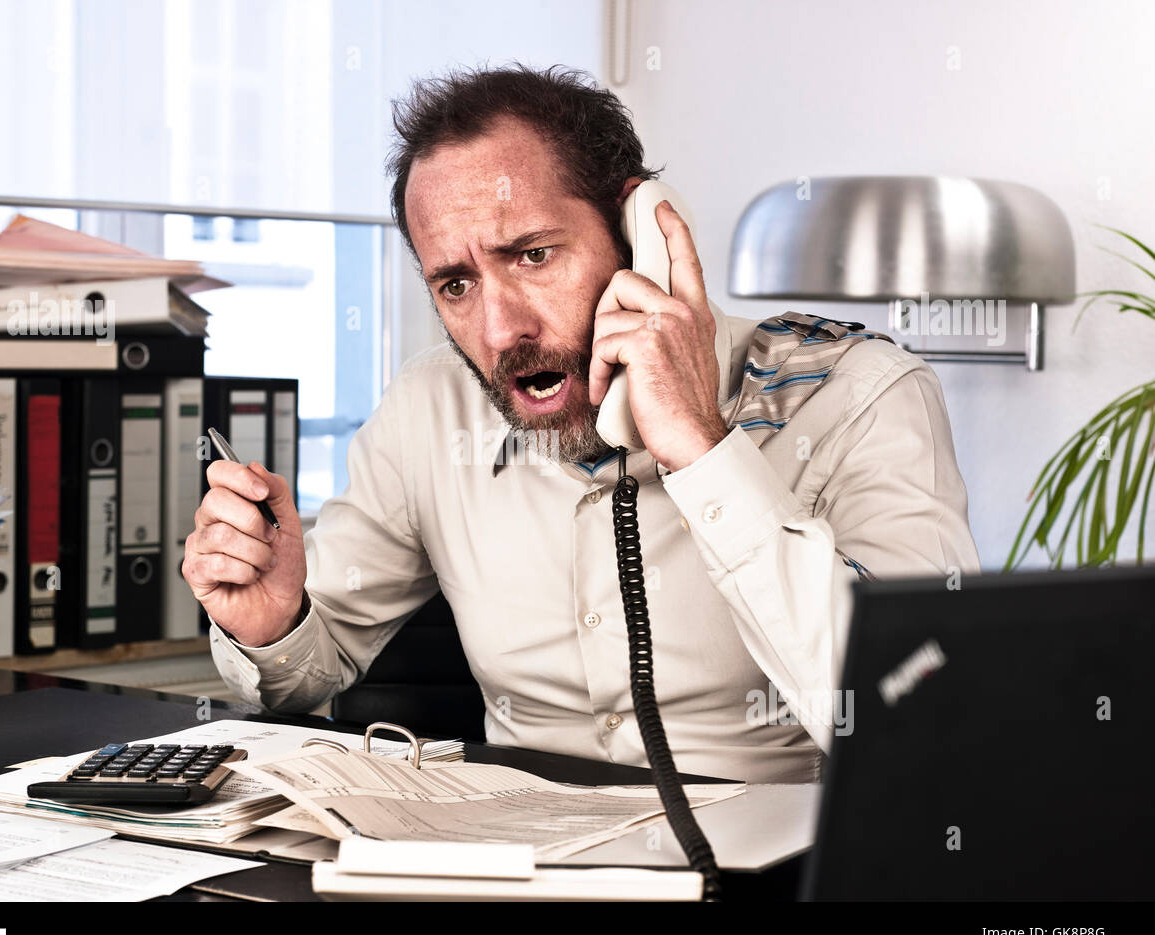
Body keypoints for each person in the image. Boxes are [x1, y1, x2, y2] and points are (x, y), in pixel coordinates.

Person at [182, 64, 979, 783]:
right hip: (518, 867)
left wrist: (703, 449)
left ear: (639, 236)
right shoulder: (430, 410)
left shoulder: (862, 396)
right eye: (456, 283)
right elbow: (310, 664)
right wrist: (273, 620)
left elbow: (918, 715)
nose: (500, 331)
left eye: (533, 255)